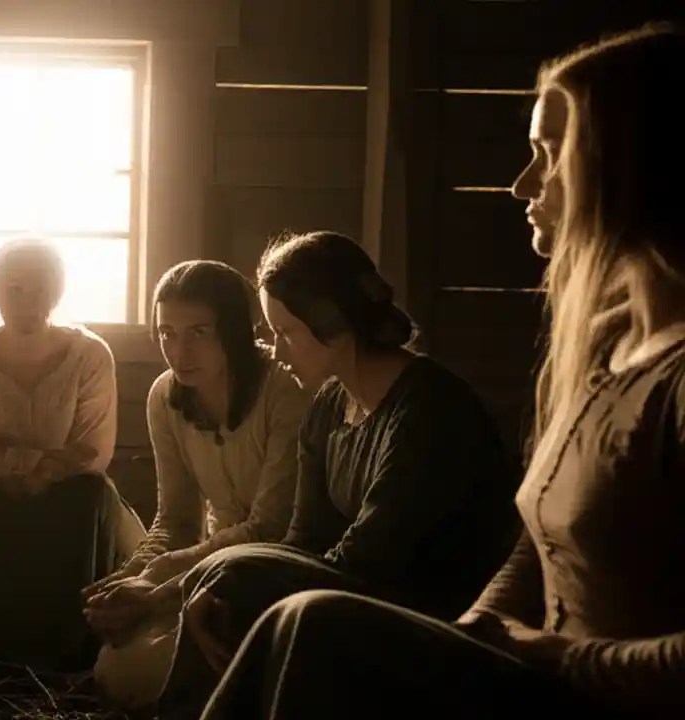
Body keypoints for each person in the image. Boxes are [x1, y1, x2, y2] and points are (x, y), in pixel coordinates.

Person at [200, 24, 685, 720]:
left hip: (599, 693)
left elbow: (373, 557)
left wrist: (563, 657)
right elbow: (535, 549)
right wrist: (463, 642)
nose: (523, 184)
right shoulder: (607, 353)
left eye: (550, 155)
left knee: (312, 621)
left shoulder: (673, 379)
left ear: (633, 165)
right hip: (531, 669)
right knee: (288, 616)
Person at [158, 231, 520, 718]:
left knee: (236, 575)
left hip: (429, 613)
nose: (279, 353)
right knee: (225, 580)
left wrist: (231, 578)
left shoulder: (428, 411)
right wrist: (211, 584)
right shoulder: (330, 405)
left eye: (286, 333)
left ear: (333, 323)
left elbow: (371, 561)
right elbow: (303, 539)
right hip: (354, 590)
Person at [83, 260, 310, 709]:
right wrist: (126, 580)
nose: (179, 351)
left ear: (236, 330)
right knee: (116, 661)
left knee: (141, 670)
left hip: (271, 568)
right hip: (205, 564)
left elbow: (269, 527)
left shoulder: (284, 391)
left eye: (198, 332)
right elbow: (175, 520)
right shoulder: (165, 397)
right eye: (166, 333)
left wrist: (156, 592)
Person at [0, 237, 146, 671]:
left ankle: (73, 656)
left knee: (89, 495)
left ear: (56, 292)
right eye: (14, 289)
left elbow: (93, 450)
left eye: (39, 288)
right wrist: (20, 465)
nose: (26, 301)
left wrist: (39, 471)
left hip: (66, 486)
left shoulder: (90, 355)